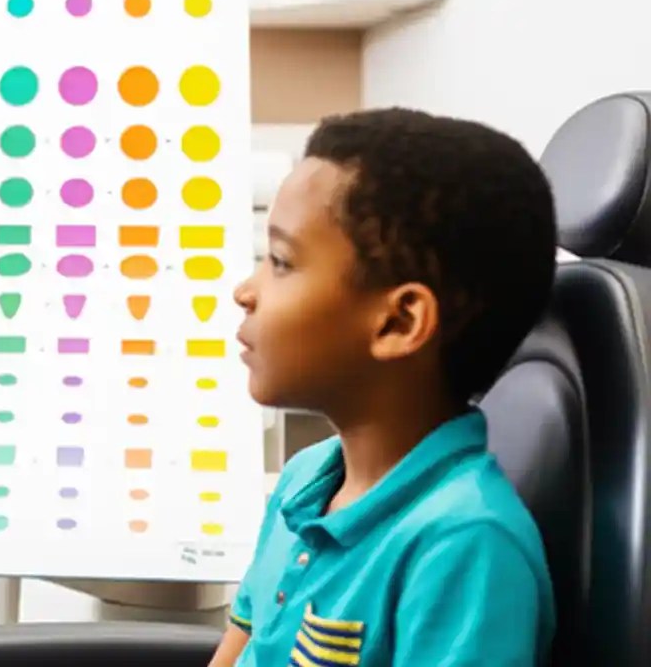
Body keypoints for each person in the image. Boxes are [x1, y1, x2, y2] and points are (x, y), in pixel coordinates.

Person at [211, 108, 558, 665]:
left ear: (398, 323)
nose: (245, 290)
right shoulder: (306, 479)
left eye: (280, 262)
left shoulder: (465, 546)